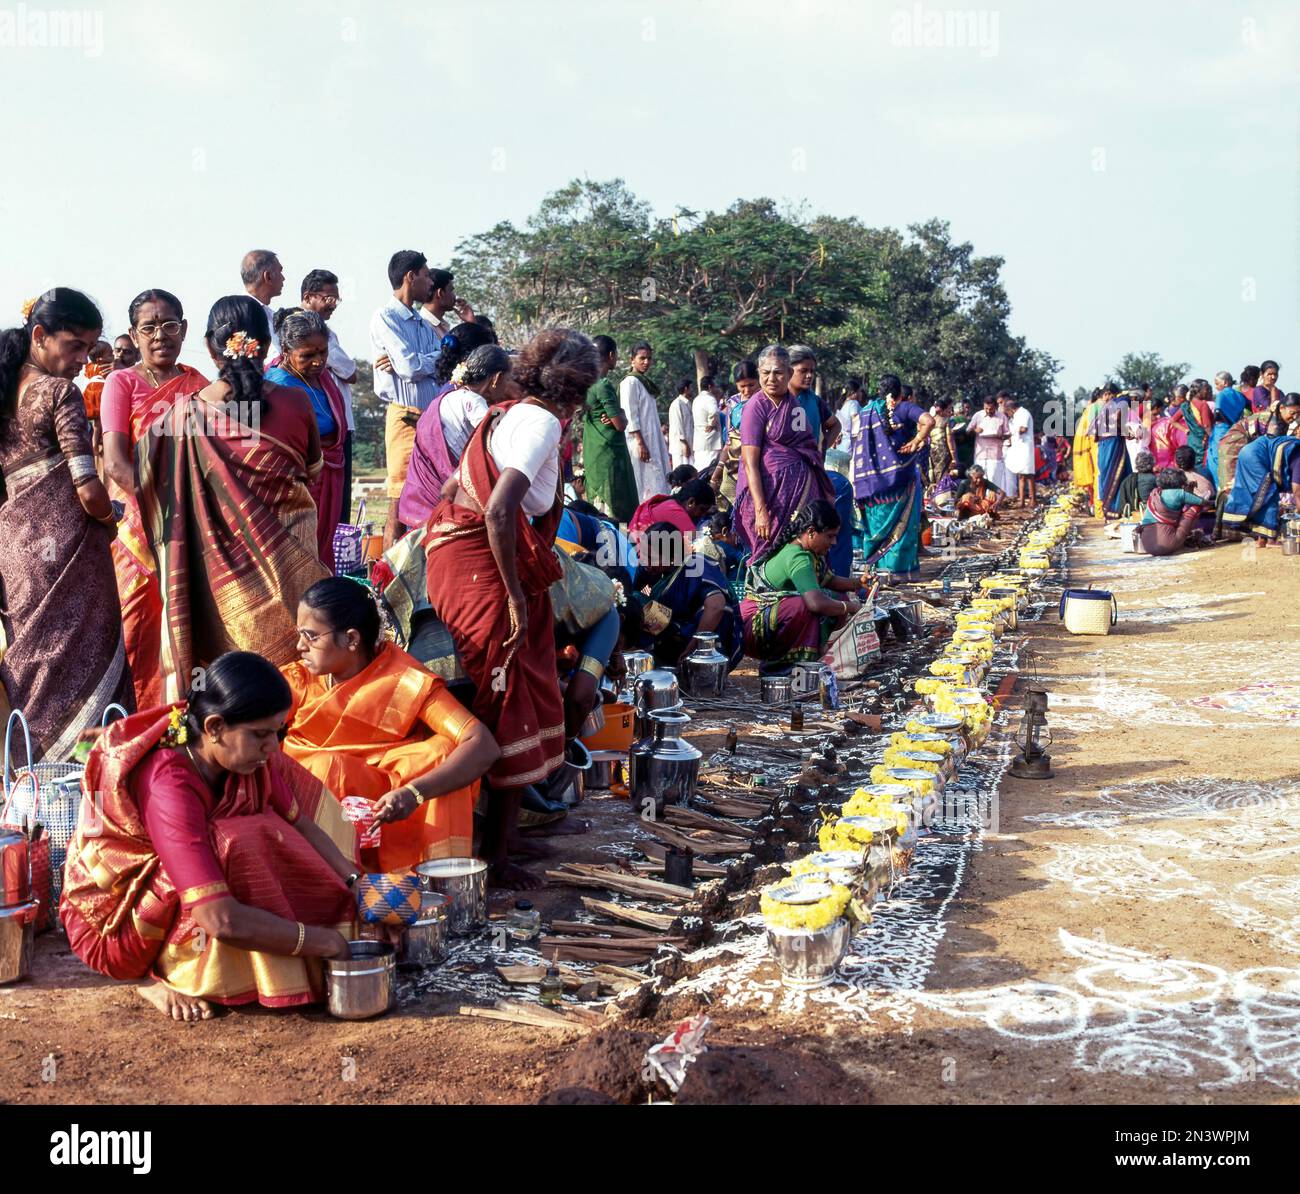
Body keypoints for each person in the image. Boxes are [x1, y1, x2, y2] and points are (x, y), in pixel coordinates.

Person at [61, 652, 358, 1021]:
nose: (273, 748)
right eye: (262, 735)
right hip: (117, 925)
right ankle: (159, 976)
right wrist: (322, 942)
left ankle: (279, 961)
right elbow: (220, 920)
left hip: (191, 892)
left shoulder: (242, 757)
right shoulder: (168, 784)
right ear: (215, 726)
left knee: (266, 828)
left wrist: (355, 885)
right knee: (237, 840)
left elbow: (303, 825)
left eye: (278, 732)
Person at [425, 329, 599, 888]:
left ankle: (510, 834)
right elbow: (500, 510)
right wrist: (517, 593)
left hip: (469, 555)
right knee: (505, 693)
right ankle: (494, 858)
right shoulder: (541, 422)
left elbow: (455, 487)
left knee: (519, 684)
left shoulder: (511, 412)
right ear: (577, 387)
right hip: (482, 564)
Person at [138, 296, 329, 700]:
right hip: (291, 572)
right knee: (295, 691)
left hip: (218, 590)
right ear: (267, 345)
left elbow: (144, 479)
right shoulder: (295, 402)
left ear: (210, 347)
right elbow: (312, 472)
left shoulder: (180, 418)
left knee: (229, 694)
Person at [281, 577, 498, 872]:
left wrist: (414, 793)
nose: (299, 646)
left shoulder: (406, 681)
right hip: (310, 805)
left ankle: (433, 881)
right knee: (326, 766)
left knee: (444, 753)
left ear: (352, 639)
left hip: (385, 800)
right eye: (300, 634)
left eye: (311, 636)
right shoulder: (299, 678)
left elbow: (481, 743)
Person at [0, 289, 135, 760]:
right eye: (75, 346)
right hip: (70, 557)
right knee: (88, 658)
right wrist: (109, 520)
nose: (82, 359)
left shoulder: (5, 395)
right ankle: (94, 782)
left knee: (35, 664)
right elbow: (89, 488)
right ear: (40, 337)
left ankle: (33, 783)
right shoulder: (58, 393)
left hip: (16, 557)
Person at [101, 289, 210, 709]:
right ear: (134, 334)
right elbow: (114, 463)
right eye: (149, 327)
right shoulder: (121, 382)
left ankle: (180, 722)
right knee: (137, 629)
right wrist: (160, 513)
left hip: (190, 529)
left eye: (169, 325)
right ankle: (129, 723)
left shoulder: (199, 384)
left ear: (183, 329)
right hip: (137, 533)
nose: (160, 335)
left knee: (186, 628)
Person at [369, 251, 446, 549]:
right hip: (405, 418)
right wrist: (428, 361)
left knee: (431, 503)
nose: (430, 281)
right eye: (426, 275)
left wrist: (421, 361)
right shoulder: (385, 317)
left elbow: (441, 363)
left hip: (430, 421)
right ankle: (385, 582)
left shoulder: (424, 325)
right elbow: (409, 368)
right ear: (410, 277)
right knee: (398, 507)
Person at [734, 344, 835, 564]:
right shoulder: (755, 407)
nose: (772, 378)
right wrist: (761, 510)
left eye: (778, 372)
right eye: (765, 372)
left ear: (789, 374)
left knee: (805, 549)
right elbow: (750, 463)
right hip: (772, 498)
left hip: (803, 490)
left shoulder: (794, 405)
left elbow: (807, 444)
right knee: (771, 554)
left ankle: (806, 593)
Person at [266, 309, 349, 571]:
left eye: (322, 352)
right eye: (308, 355)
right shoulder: (276, 385)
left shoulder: (322, 379)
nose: (318, 361)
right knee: (299, 549)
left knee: (321, 545)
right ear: (287, 352)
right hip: (298, 480)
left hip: (329, 472)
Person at [399, 340, 513, 530]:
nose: (508, 386)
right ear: (496, 379)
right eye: (508, 380)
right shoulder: (473, 402)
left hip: (420, 498)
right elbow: (497, 442)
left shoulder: (445, 397)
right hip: (446, 497)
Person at [740, 499, 862, 673]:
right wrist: (852, 607)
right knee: (806, 606)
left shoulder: (809, 552)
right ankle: (781, 669)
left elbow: (830, 581)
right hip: (751, 628)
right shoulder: (798, 557)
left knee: (836, 598)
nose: (834, 542)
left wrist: (859, 583)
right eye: (830, 536)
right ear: (811, 532)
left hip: (765, 622)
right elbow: (815, 603)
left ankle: (819, 653)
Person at [852, 374, 932, 581]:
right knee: (904, 528)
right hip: (902, 478)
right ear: (900, 393)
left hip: (872, 485)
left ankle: (875, 572)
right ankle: (900, 573)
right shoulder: (905, 408)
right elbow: (928, 421)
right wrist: (917, 440)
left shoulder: (866, 412)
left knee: (875, 525)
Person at [634, 523, 743, 670]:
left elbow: (716, 605)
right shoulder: (660, 571)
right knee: (634, 601)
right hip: (671, 637)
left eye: (650, 557)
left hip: (699, 646)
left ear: (671, 556)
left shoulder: (696, 565)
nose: (644, 560)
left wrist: (692, 648)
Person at [301, 270, 357, 524]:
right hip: (320, 428)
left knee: (339, 505)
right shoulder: (304, 329)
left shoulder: (327, 331)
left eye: (336, 300)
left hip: (339, 424)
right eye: (328, 299)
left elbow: (348, 371)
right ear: (309, 297)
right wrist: (347, 368)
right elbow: (349, 370)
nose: (333, 305)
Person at [1221, 400, 1300, 543]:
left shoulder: (1289, 437)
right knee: (1269, 492)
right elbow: (1298, 492)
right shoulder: (1275, 424)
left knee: (1260, 494)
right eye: (1293, 413)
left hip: (1250, 452)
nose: (1294, 417)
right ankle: (1270, 540)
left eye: (1298, 414)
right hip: (1250, 453)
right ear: (1282, 408)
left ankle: (1261, 540)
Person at [581, 334, 638, 523]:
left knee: (599, 511)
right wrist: (621, 415)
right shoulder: (603, 384)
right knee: (615, 511)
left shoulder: (586, 383)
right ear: (611, 355)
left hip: (594, 452)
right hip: (610, 456)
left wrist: (618, 414)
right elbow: (619, 424)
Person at [620, 342, 671, 501]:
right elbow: (630, 414)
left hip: (651, 440)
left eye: (649, 358)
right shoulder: (630, 382)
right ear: (632, 360)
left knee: (656, 480)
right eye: (642, 358)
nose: (646, 362)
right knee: (642, 482)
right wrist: (640, 443)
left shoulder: (643, 382)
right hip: (640, 443)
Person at [712, 359, 760, 505]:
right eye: (742, 386)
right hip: (734, 464)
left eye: (751, 385)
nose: (747, 391)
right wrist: (719, 468)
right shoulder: (733, 402)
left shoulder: (764, 400)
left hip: (758, 463)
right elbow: (729, 440)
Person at [629, 477, 715, 554]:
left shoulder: (669, 502)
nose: (702, 515)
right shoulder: (677, 513)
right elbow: (700, 544)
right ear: (691, 502)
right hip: (640, 556)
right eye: (702, 510)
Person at [1137, 468, 1206, 556]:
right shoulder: (1179, 493)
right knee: (1195, 509)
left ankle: (1178, 543)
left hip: (1147, 546)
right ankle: (1178, 545)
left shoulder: (1155, 493)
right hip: (1167, 544)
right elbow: (1201, 501)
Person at [1089, 381, 1132, 515]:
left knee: (1106, 475)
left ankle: (1108, 509)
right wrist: (1125, 432)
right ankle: (1116, 508)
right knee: (1119, 474)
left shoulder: (1106, 406)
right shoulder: (1123, 399)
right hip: (1113, 442)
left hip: (1103, 444)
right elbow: (1119, 416)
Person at [787, 344, 839, 454]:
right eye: (803, 370)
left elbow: (835, 425)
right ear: (788, 370)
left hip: (810, 467)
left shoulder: (815, 401)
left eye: (812, 371)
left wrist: (821, 449)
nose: (809, 375)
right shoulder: (773, 399)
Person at [967, 393, 1014, 496]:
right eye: (986, 409)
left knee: (994, 479)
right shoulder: (978, 415)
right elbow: (967, 431)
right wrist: (975, 430)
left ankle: (993, 504)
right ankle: (980, 503)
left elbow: (1007, 434)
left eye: (991, 409)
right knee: (978, 479)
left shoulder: (1002, 417)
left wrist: (999, 436)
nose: (988, 411)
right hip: (980, 453)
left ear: (996, 407)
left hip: (995, 453)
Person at [240, 249, 284, 357]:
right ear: (268, 276)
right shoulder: (240, 313)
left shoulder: (271, 315)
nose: (283, 278)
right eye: (280, 272)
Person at [1208, 371, 1248, 482]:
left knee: (1216, 459)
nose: (1216, 387)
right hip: (1236, 430)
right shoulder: (1240, 396)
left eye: (1217, 383)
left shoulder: (1222, 394)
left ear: (1225, 383)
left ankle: (1219, 489)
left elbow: (1218, 411)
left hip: (1222, 429)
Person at [416, 267, 472, 339]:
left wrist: (470, 322)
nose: (455, 296)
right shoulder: (422, 326)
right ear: (440, 293)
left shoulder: (443, 325)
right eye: (451, 290)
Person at [1002, 392, 1036, 507]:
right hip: (1019, 448)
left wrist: (1012, 431)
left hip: (1025, 447)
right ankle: (1021, 501)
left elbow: (1023, 429)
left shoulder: (1023, 413)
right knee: (1021, 475)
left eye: (1008, 412)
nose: (1008, 415)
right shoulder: (1016, 416)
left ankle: (1033, 499)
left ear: (1011, 409)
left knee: (1029, 474)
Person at [1071, 388, 1101, 500]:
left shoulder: (1090, 409)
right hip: (1092, 446)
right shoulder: (1093, 409)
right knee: (1096, 475)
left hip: (1088, 446)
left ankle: (1094, 503)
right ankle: (1096, 505)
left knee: (1093, 475)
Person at [1152, 385, 1189, 469]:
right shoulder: (1175, 409)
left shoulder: (1183, 409)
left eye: (1174, 396)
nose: (1172, 399)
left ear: (1181, 398)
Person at [692, 375, 723, 472]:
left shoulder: (696, 399)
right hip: (710, 439)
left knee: (699, 465)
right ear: (710, 387)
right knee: (709, 466)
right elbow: (714, 412)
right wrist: (711, 424)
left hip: (699, 439)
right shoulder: (710, 399)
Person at [1115, 451, 1159, 518]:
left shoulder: (1128, 480)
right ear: (1152, 463)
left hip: (1133, 512)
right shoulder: (1155, 479)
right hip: (1151, 512)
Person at [927, 397, 958, 488]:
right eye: (947, 410)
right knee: (944, 474)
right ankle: (943, 495)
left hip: (932, 450)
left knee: (935, 472)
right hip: (943, 451)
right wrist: (953, 457)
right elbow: (949, 440)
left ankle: (935, 494)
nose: (948, 413)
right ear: (942, 410)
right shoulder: (946, 421)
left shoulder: (930, 420)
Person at [667, 379, 693, 471]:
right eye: (691, 388)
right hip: (680, 446)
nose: (692, 390)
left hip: (689, 444)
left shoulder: (687, 403)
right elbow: (678, 426)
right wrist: (684, 444)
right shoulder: (676, 404)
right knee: (680, 473)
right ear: (686, 389)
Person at [834, 377, 863, 457]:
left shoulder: (841, 406)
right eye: (860, 391)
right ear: (853, 393)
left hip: (840, 446)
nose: (861, 393)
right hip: (851, 447)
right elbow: (856, 425)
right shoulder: (853, 403)